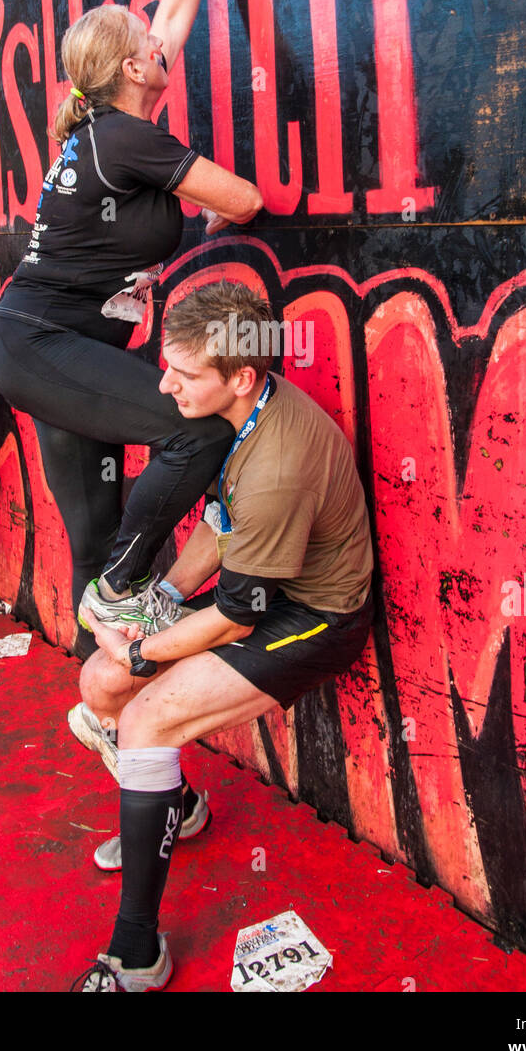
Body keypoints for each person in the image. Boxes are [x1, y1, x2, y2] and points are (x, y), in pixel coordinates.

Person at [69, 282, 375, 992]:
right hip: (263, 587)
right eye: (166, 364)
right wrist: (165, 599)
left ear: (240, 376)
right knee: (99, 684)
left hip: (315, 617)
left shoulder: (275, 465)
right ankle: (177, 808)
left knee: (143, 715)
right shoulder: (228, 416)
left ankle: (137, 950)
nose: (164, 383)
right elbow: (219, 522)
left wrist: (143, 649)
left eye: (183, 373)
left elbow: (239, 615)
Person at [0, 0, 263, 632]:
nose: (161, 43)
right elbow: (245, 199)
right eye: (148, 43)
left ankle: (103, 707)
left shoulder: (106, 126)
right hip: (43, 344)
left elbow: (170, 19)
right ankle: (127, 587)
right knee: (198, 426)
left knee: (90, 540)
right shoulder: (124, 138)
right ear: (133, 68)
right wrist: (211, 209)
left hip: (46, 348)